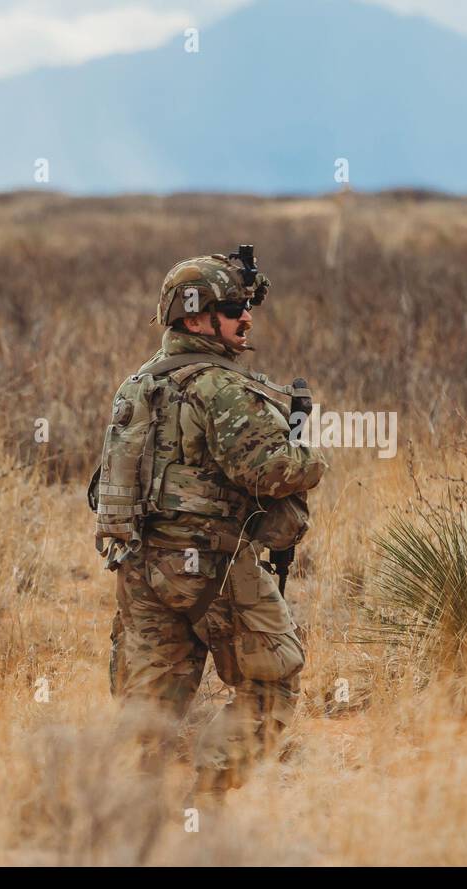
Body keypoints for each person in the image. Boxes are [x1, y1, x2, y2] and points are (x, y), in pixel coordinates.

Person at [96, 250, 326, 800]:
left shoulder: (136, 386)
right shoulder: (221, 389)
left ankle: (131, 821)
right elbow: (273, 471)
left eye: (246, 306)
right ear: (196, 318)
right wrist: (311, 457)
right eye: (232, 308)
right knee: (271, 680)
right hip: (214, 567)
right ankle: (206, 801)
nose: (246, 318)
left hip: (141, 568)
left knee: (146, 713)